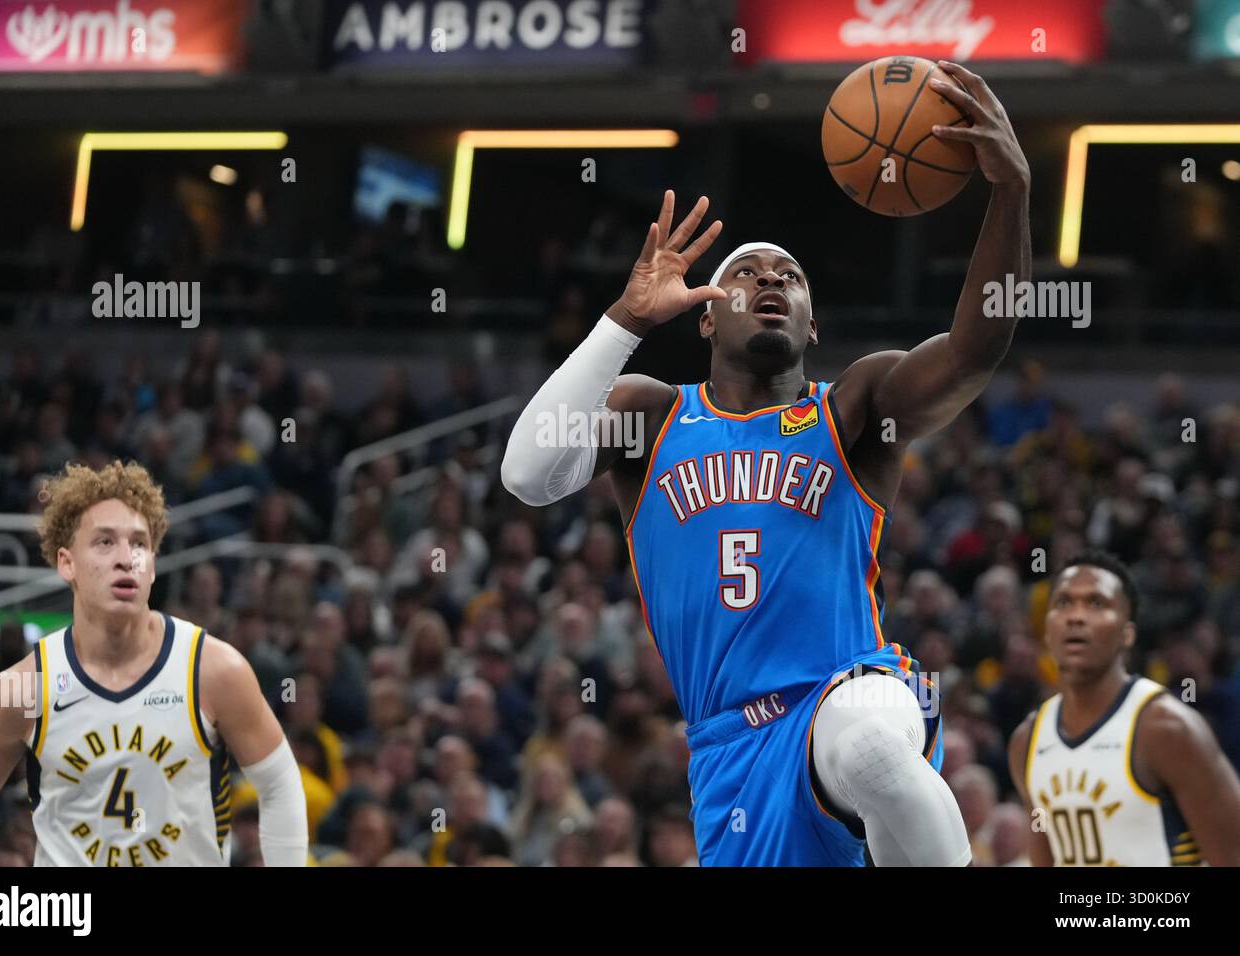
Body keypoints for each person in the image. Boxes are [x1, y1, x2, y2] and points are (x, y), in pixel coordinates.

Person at [503, 62, 1030, 865]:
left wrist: (1011, 192)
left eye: (790, 276)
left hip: (848, 692)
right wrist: (622, 320)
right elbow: (527, 474)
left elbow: (973, 351)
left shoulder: (852, 410)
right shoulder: (650, 413)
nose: (770, 282)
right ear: (707, 318)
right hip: (728, 755)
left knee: (879, 756)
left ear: (814, 326)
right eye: (744, 274)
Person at [0, 460, 308, 866]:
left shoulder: (214, 670)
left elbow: (279, 783)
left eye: (139, 544)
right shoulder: (24, 688)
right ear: (67, 563)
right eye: (104, 542)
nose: (126, 558)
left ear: (152, 565)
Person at [1009, 552, 1240, 866]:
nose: (1076, 616)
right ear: (1047, 629)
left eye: (1096, 603)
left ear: (1127, 633)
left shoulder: (1167, 728)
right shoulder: (1027, 742)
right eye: (1063, 603)